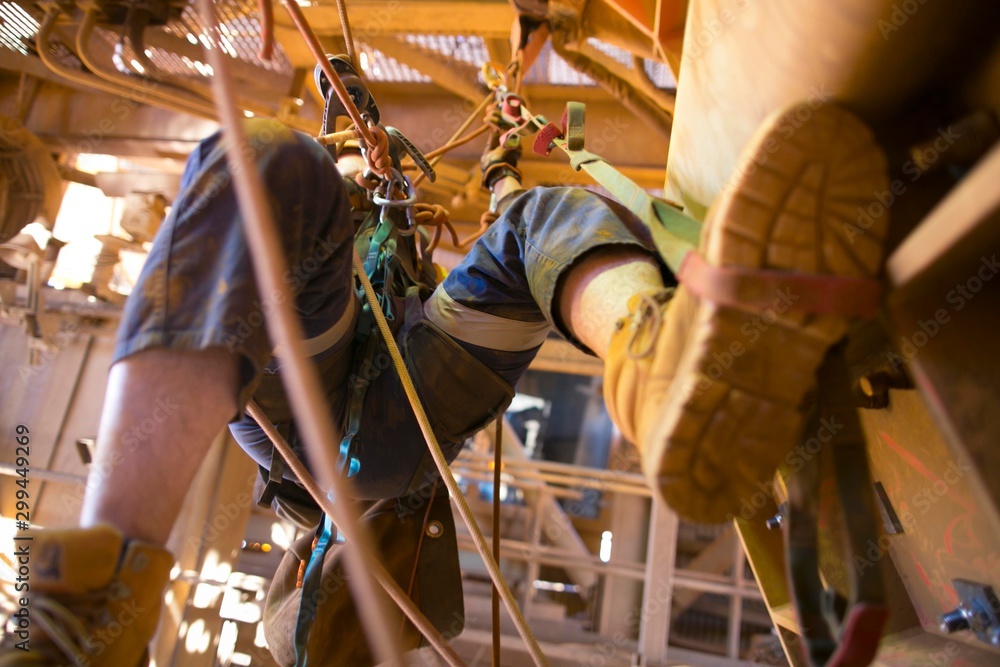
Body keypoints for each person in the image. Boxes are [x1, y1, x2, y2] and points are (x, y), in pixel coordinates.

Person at [0, 97, 887, 666]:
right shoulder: (305, 588)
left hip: (397, 389)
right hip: (331, 447)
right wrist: (349, 169)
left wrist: (365, 175)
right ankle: (92, 609)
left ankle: (653, 368)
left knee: (533, 221)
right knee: (278, 161)